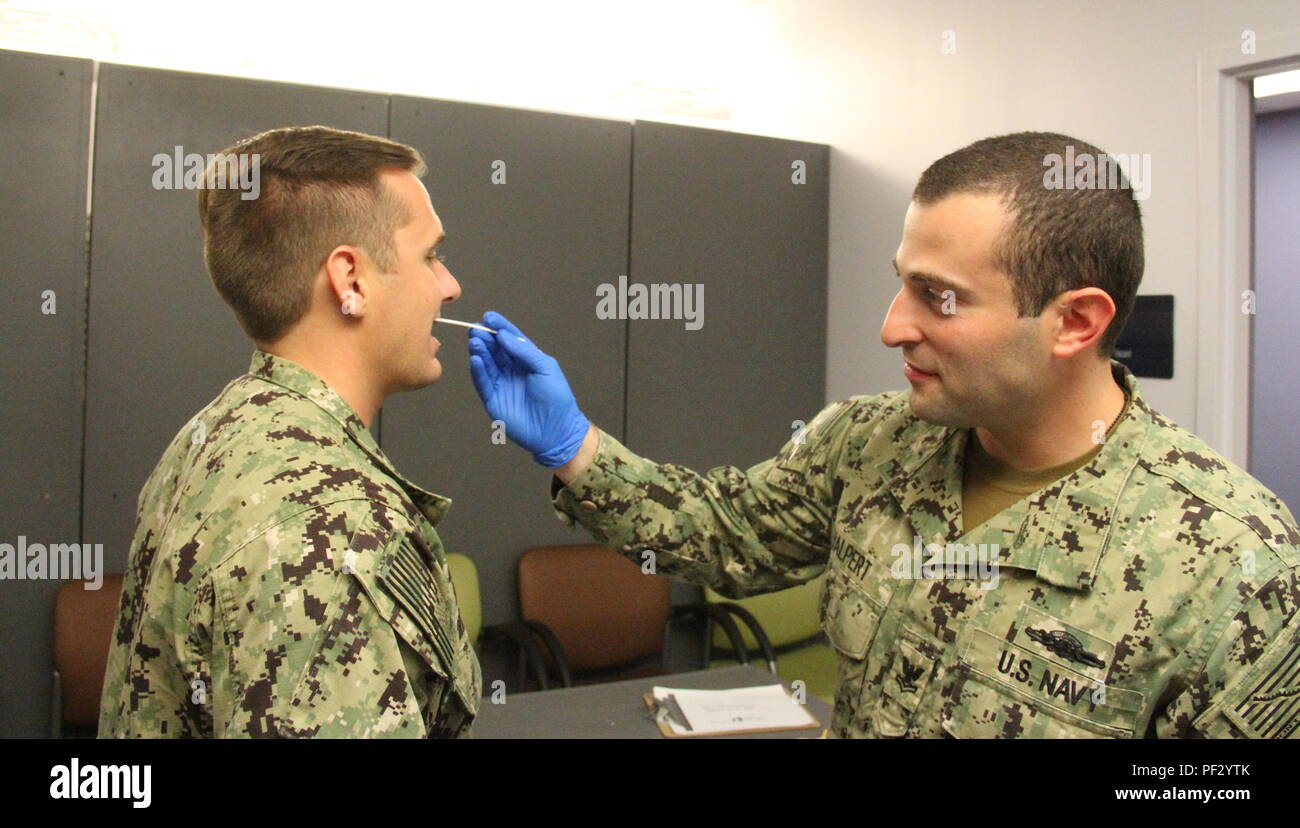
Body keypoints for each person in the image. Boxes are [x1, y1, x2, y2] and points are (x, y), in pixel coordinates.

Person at [467, 131, 1300, 738]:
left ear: (1075, 322)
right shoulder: (872, 442)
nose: (891, 327)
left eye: (938, 298)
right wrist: (574, 446)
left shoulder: (1232, 564)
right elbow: (727, 538)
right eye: (901, 285)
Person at [100, 126, 479, 738]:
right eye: (431, 255)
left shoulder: (217, 433)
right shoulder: (330, 527)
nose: (449, 285)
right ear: (350, 280)